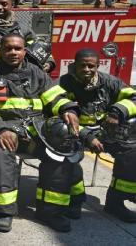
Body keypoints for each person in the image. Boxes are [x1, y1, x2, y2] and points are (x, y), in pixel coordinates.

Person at [0, 34, 83, 232]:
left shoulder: (36, 72)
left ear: (25, 51)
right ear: (0, 51)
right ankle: (4, 211)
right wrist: (0, 128)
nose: (13, 53)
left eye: (17, 49)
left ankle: (50, 211)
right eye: (8, 48)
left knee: (60, 154)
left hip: (37, 130)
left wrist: (67, 109)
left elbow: (54, 96)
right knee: (1, 156)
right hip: (3, 130)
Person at [49, 48, 136, 224]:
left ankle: (115, 202)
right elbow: (56, 112)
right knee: (69, 159)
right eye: (83, 66)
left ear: (97, 66)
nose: (87, 70)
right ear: (75, 65)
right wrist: (87, 136)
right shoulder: (63, 83)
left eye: (91, 66)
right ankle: (75, 200)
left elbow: (134, 98)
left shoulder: (110, 82)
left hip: (105, 132)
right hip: (74, 133)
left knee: (131, 153)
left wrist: (117, 112)